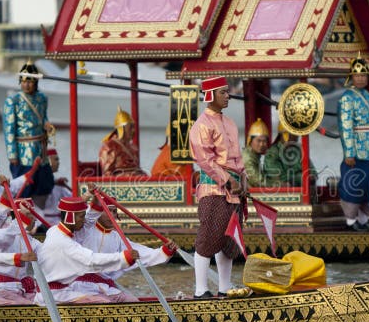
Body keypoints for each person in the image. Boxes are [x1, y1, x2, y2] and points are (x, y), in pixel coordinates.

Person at [189, 76, 246, 298]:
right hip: (214, 190)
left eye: (227, 91)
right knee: (208, 238)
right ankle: (200, 290)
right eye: (223, 92)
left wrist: (243, 179)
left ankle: (224, 288)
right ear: (210, 95)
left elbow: (238, 159)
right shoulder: (201, 125)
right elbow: (205, 160)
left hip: (234, 191)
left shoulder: (230, 123)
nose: (227, 95)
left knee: (228, 240)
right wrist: (228, 180)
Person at [34, 196, 142, 305]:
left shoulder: (54, 230)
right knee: (104, 303)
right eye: (81, 217)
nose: (84, 220)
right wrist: (123, 258)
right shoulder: (65, 243)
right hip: (54, 294)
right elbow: (91, 260)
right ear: (70, 218)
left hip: (64, 290)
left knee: (131, 301)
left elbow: (90, 220)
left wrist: (95, 200)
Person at [73, 196, 176, 302]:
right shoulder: (85, 229)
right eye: (108, 211)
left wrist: (164, 251)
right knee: (104, 303)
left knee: (133, 302)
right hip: (81, 286)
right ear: (99, 213)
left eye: (114, 211)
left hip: (106, 288)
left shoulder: (118, 237)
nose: (112, 215)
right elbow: (90, 215)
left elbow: (140, 254)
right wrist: (93, 198)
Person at [337, 57, 369, 231]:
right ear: (351, 77)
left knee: (368, 184)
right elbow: (346, 126)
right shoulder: (347, 97)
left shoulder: (367, 95)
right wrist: (349, 152)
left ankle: (363, 219)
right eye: (357, 75)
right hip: (357, 149)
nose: (361, 78)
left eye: (364, 75)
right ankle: (350, 221)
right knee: (353, 184)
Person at [2, 61, 55, 199]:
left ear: (36, 82)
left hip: (40, 149)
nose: (26, 84)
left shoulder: (42, 98)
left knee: (43, 185)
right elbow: (9, 129)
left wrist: (46, 124)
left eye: (30, 81)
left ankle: (42, 213)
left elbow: (43, 117)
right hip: (23, 150)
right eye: (24, 81)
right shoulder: (13, 100)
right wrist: (12, 154)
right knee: (24, 187)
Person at [0, 198, 40, 302]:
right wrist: (20, 220)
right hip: (1, 290)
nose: (35, 220)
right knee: (32, 308)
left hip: (21, 289)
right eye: (30, 216)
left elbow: (48, 252)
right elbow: (2, 240)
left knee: (44, 303)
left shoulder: (30, 240)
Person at [263, 122, 316, 187]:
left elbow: (313, 172)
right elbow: (280, 179)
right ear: (283, 135)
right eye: (293, 134)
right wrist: (301, 177)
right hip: (281, 194)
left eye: (296, 134)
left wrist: (311, 177)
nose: (296, 137)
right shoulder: (272, 153)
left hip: (304, 192)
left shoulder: (300, 150)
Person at [99, 106, 146, 176]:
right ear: (122, 128)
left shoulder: (133, 147)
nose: (133, 130)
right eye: (130, 127)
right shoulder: (109, 146)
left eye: (134, 127)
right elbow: (107, 173)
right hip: (121, 184)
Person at [37, 148, 73, 226]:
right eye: (56, 159)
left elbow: (72, 198)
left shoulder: (58, 182)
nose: (58, 163)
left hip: (57, 222)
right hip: (41, 223)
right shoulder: (38, 182)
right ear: (48, 161)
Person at [242, 118, 271, 187]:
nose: (261, 144)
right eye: (259, 141)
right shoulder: (248, 158)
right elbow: (258, 181)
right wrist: (278, 185)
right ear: (250, 140)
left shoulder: (254, 155)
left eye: (264, 141)